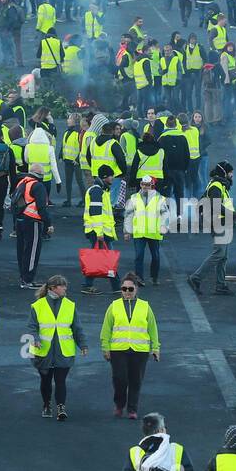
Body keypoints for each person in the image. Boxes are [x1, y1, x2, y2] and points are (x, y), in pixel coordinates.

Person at [26, 275, 89, 421]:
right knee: (46, 381)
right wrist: (35, 339)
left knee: (60, 381)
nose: (65, 288)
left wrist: (83, 345)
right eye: (62, 286)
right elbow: (32, 327)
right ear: (53, 288)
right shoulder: (38, 306)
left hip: (63, 351)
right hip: (43, 352)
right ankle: (46, 404)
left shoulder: (70, 305)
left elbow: (77, 328)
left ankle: (61, 407)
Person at [100, 272, 161, 419]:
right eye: (124, 289)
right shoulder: (113, 306)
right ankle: (119, 405)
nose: (127, 292)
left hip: (139, 350)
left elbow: (153, 329)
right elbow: (106, 329)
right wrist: (105, 347)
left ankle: (132, 409)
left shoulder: (145, 307)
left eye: (130, 289)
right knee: (119, 379)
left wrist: (155, 348)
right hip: (118, 349)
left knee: (136, 380)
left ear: (136, 289)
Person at [187, 160, 236, 295]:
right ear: (224, 172)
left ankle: (221, 285)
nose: (232, 174)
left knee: (223, 256)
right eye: (230, 172)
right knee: (219, 253)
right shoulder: (216, 186)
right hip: (218, 223)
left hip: (223, 223)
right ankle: (195, 278)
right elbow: (216, 206)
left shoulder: (220, 185)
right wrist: (233, 214)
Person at [81, 166, 120, 295]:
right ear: (104, 177)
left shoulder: (100, 190)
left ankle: (89, 284)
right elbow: (96, 214)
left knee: (98, 258)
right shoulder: (98, 191)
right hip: (99, 232)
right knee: (108, 259)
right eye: (111, 176)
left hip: (100, 231)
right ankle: (116, 287)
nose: (112, 178)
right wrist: (99, 233)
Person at [13, 164, 53, 289]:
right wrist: (48, 224)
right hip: (33, 221)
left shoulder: (22, 182)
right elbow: (41, 208)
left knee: (22, 250)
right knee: (32, 251)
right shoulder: (38, 186)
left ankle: (23, 277)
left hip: (20, 220)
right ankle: (28, 279)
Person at [125, 175, 169, 285]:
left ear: (152, 185)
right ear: (140, 184)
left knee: (156, 257)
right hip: (139, 232)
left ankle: (154, 277)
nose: (145, 187)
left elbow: (165, 214)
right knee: (138, 256)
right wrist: (127, 231)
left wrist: (164, 226)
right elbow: (128, 215)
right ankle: (139, 278)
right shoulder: (134, 198)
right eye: (143, 184)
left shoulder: (159, 199)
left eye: (147, 185)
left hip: (153, 232)